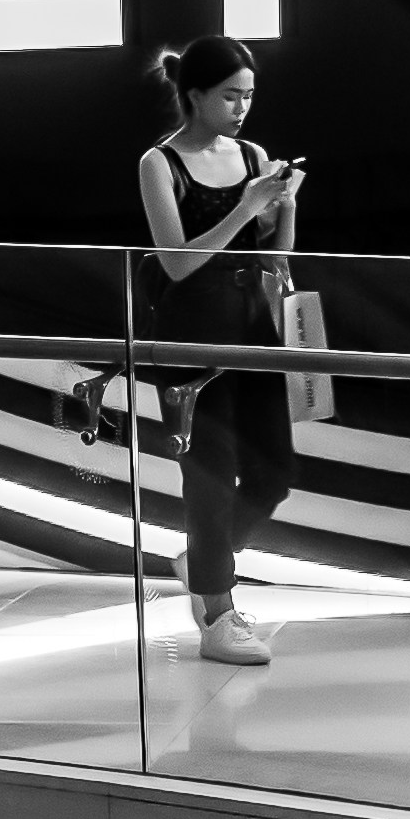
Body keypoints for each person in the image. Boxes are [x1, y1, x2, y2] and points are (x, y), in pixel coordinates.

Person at [135, 35, 304, 667]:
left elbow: (274, 260)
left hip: (253, 328)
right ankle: (216, 610)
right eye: (230, 95)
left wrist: (284, 206)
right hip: (189, 333)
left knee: (275, 471)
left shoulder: (252, 154)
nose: (241, 108)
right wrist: (245, 205)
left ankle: (203, 561)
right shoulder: (160, 163)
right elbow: (176, 263)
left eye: (249, 96)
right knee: (208, 475)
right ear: (195, 94)